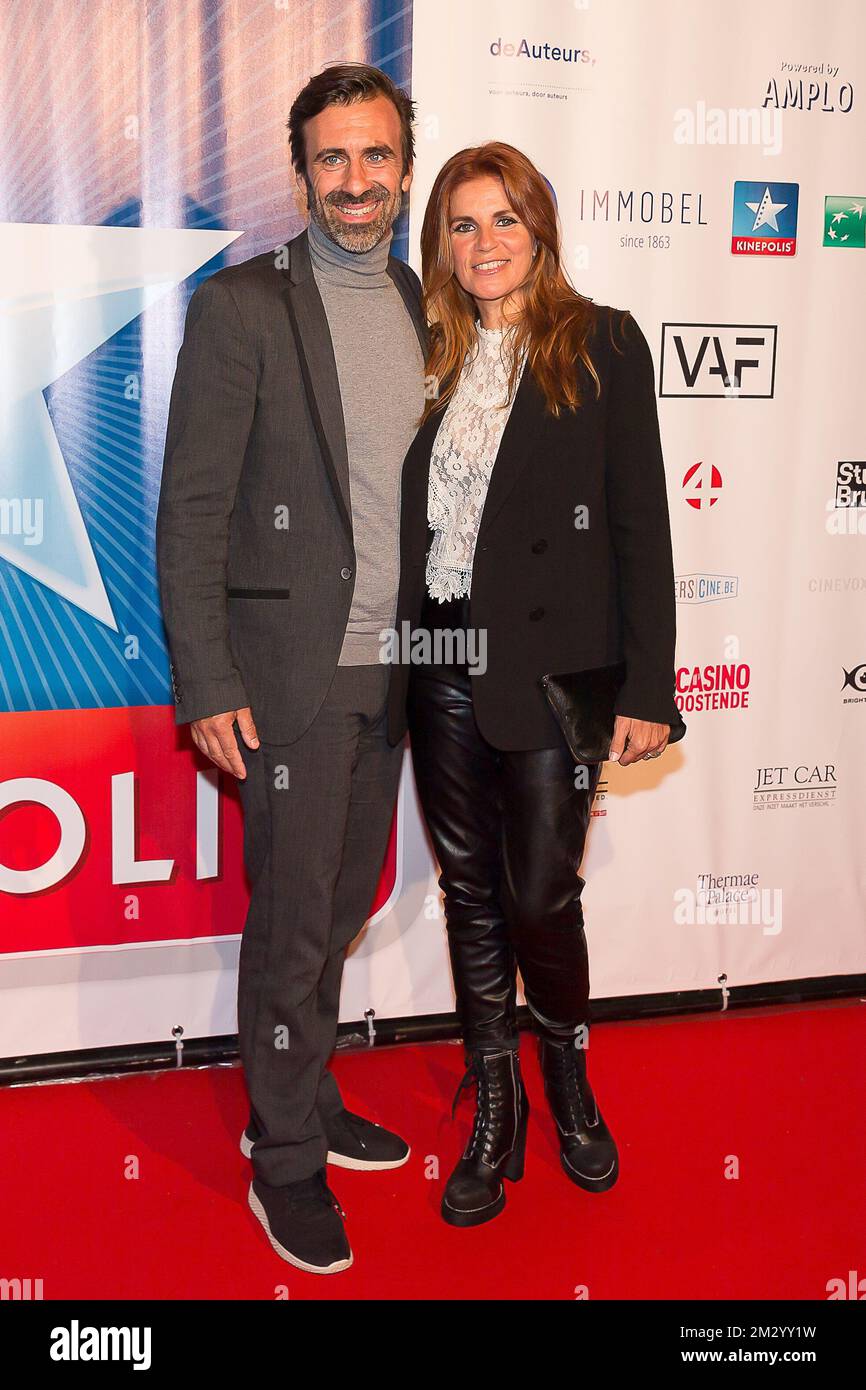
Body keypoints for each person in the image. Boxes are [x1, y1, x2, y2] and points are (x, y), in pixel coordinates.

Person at [156, 64, 428, 1275]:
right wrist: (209, 677)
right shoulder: (243, 307)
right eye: (332, 158)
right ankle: (284, 1163)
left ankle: (306, 1099)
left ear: (405, 167)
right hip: (285, 676)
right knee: (289, 930)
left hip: (398, 669)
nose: (356, 181)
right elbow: (194, 506)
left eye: (375, 156)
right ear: (301, 170)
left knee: (339, 908)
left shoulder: (426, 297)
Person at [386, 142, 683, 1227]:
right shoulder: (424, 352)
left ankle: (564, 1066)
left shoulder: (598, 341)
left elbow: (642, 524)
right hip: (440, 663)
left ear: (539, 228)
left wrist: (644, 684)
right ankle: (493, 1103)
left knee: (537, 896)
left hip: (556, 671)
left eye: (502, 219)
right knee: (468, 893)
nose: (484, 243)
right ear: (441, 246)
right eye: (461, 225)